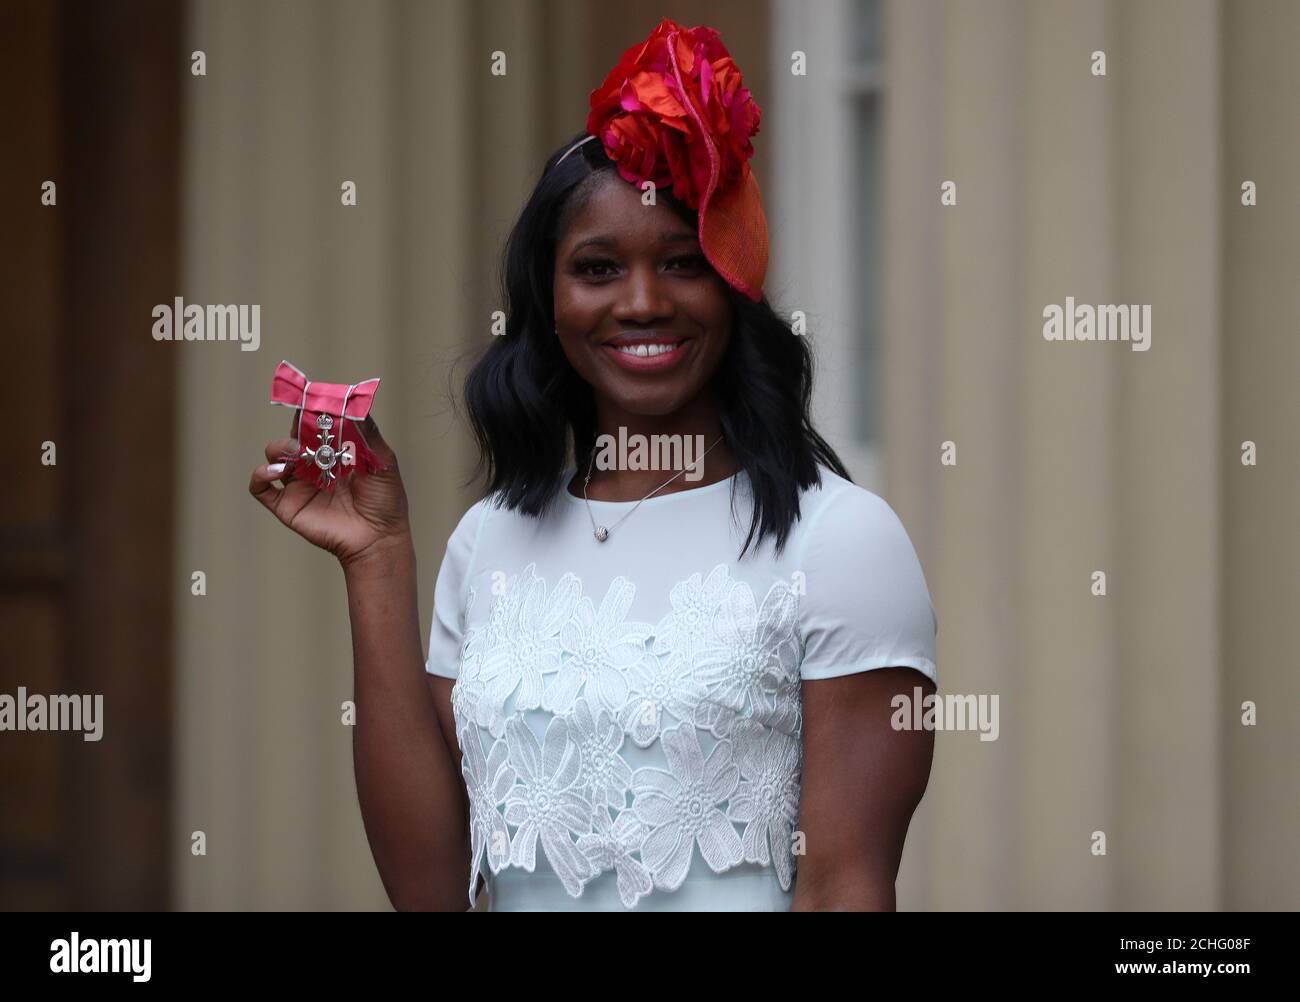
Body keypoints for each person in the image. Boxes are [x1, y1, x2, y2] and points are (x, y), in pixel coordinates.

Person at [249, 17, 938, 912]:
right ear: (550, 299)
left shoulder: (840, 540)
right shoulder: (490, 542)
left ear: (734, 287)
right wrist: (378, 559)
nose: (643, 302)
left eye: (684, 264)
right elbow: (430, 888)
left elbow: (845, 887)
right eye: (599, 267)